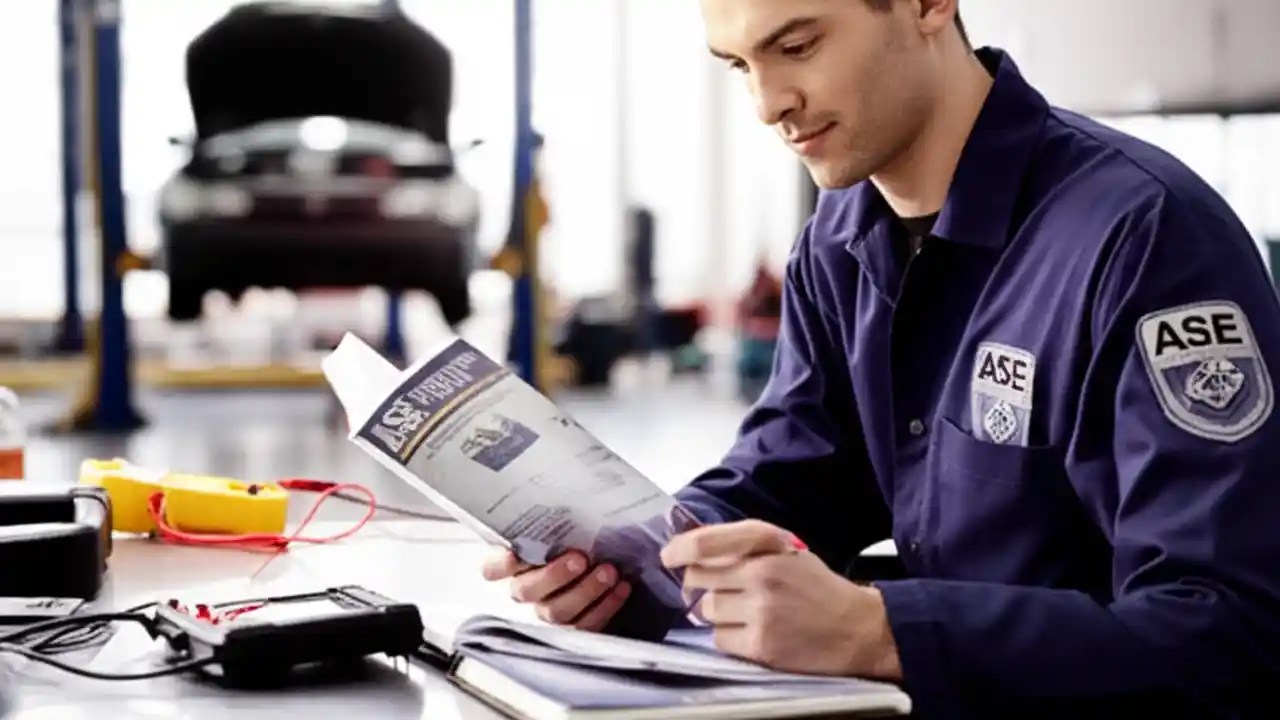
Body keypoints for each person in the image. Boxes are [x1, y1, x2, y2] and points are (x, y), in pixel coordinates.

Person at [482, 0, 1280, 716]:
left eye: (796, 45)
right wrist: (634, 562)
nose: (767, 104)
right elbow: (789, 478)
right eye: (739, 67)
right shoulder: (836, 245)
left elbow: (1229, 631)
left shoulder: (1146, 237)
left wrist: (881, 632)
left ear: (931, 4)